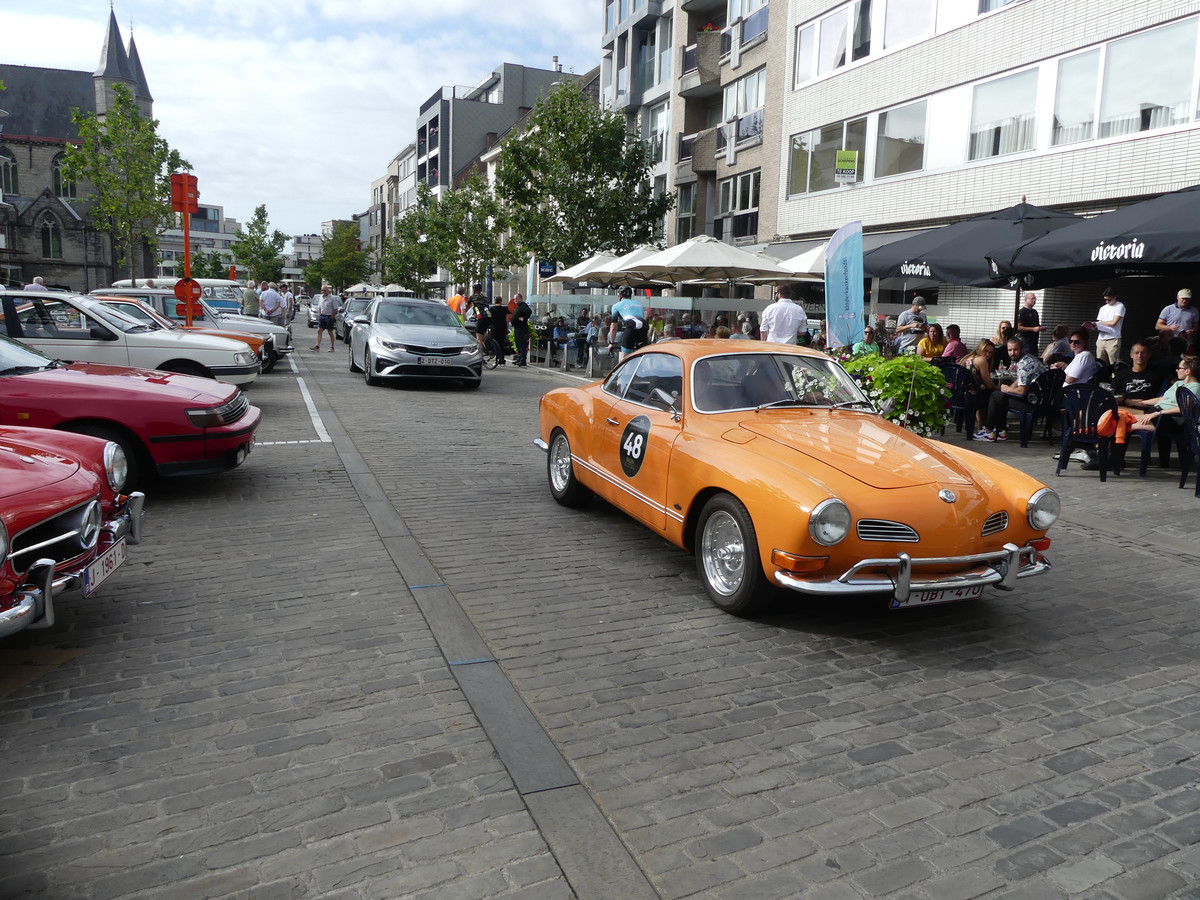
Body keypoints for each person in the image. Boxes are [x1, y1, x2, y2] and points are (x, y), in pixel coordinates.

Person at [981, 337, 1046, 441]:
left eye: (1015, 350)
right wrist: (1010, 388)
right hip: (1043, 401)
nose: (1012, 353)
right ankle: (1000, 431)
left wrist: (1007, 389)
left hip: (1033, 404)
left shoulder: (1023, 365)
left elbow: (1021, 392)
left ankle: (989, 431)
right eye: (1009, 350)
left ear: (1022, 349)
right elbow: (1021, 381)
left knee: (995, 396)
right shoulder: (1031, 359)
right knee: (1001, 396)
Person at [1130, 355, 1200, 433]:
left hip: (1168, 419)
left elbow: (1184, 408)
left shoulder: (1195, 387)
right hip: (1156, 412)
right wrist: (1141, 403)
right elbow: (1162, 398)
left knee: (1124, 420)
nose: (1176, 370)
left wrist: (1158, 413)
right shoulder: (1178, 383)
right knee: (1122, 418)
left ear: (1187, 371)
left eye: (1179, 368)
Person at [960, 339, 998, 439]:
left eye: (991, 353)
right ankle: (990, 428)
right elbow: (988, 383)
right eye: (986, 351)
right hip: (971, 397)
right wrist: (999, 389)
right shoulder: (981, 360)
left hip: (960, 396)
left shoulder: (967, 358)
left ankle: (981, 426)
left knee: (985, 394)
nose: (988, 354)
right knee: (995, 397)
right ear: (980, 348)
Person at [1116, 342, 1168, 412]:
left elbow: (1168, 395)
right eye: (1136, 353)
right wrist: (1126, 401)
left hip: (1149, 409)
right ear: (1131, 355)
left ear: (1149, 355)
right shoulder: (1122, 374)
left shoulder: (1158, 372)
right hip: (1126, 409)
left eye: (1143, 353)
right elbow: (1113, 397)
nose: (1140, 356)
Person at [1084, 287, 1125, 365]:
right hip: (1101, 338)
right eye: (1106, 299)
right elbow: (1099, 322)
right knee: (1100, 363)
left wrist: (1101, 323)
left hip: (1113, 338)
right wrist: (1095, 325)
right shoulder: (1103, 308)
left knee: (1113, 363)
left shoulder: (1120, 306)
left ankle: (1114, 376)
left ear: (1115, 297)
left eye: (1109, 299)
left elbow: (1114, 322)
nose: (1107, 301)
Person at [608, 287, 648, 359]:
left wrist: (612, 343)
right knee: (643, 357)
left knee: (626, 359)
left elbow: (613, 327)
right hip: (643, 328)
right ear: (631, 295)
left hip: (631, 328)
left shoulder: (616, 306)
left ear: (620, 296)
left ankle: (626, 369)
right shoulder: (638, 303)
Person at [311, 284, 340, 351]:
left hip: (329, 317)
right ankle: (317, 346)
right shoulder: (321, 297)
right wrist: (319, 314)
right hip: (322, 316)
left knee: (330, 331)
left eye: (324, 290)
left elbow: (335, 309)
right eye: (322, 290)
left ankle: (332, 347)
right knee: (319, 330)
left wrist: (332, 316)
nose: (323, 291)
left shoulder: (332, 298)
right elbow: (319, 307)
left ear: (328, 291)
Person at [510, 293, 532, 366]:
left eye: (517, 298)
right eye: (514, 298)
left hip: (521, 328)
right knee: (518, 344)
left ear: (521, 299)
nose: (515, 300)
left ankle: (523, 360)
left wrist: (524, 319)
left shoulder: (523, 305)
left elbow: (529, 311)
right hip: (517, 328)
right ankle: (519, 358)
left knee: (522, 344)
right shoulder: (518, 306)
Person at [488, 295, 509, 365]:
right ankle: (502, 360)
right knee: (501, 344)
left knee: (495, 344)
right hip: (502, 328)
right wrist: (507, 328)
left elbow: (489, 320)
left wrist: (488, 328)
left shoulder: (491, 309)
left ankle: (497, 359)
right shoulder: (505, 309)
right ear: (501, 301)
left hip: (494, 329)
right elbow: (507, 320)